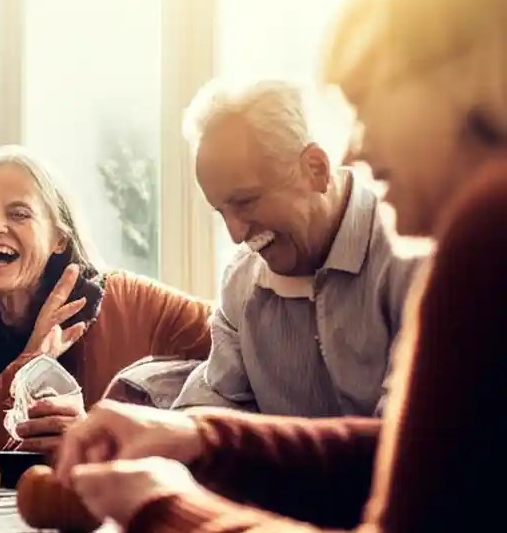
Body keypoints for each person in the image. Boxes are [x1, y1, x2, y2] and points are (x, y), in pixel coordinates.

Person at [50, 0, 507, 533]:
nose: (357, 146)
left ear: (459, 79)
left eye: (367, 101)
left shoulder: (486, 226)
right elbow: (410, 471)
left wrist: (162, 510)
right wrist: (196, 434)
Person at [0, 146, 212, 459]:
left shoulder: (128, 300)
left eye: (19, 214)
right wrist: (33, 359)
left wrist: (97, 436)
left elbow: (237, 334)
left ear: (59, 239)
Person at [172, 78, 423, 417]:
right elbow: (211, 404)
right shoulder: (241, 281)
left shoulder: (412, 259)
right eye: (221, 213)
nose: (235, 234)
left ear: (315, 169)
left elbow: (406, 440)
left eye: (245, 201)